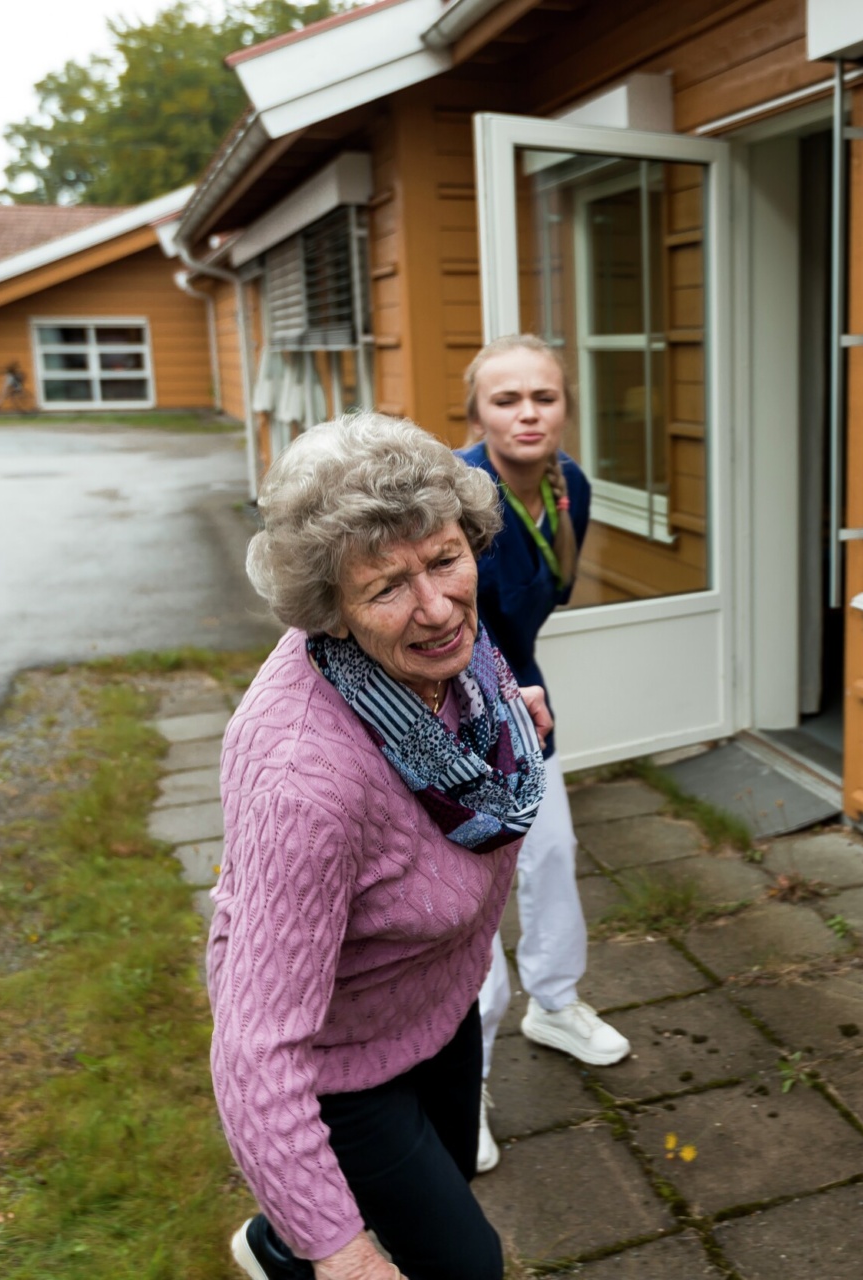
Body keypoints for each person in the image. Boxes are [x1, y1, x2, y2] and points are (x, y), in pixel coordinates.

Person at [210, 412, 552, 1280]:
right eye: (388, 587)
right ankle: (295, 1244)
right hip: (342, 1059)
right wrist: (344, 1257)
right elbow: (256, 1048)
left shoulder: (454, 659)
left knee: (439, 1191)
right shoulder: (305, 780)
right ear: (332, 611)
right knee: (464, 1264)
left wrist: (518, 718)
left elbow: (483, 703)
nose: (436, 607)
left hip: (437, 1007)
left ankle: (280, 1235)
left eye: (445, 559)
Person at [456, 334, 631, 1172]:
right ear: (477, 413)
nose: (528, 413)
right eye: (506, 400)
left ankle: (554, 1004)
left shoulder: (573, 489)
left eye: (544, 397)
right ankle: (463, 1076)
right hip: (446, 714)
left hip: (525, 701)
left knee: (552, 853)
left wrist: (522, 699)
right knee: (472, 894)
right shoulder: (453, 497)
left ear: (566, 404)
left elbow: (540, 602)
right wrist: (489, 704)